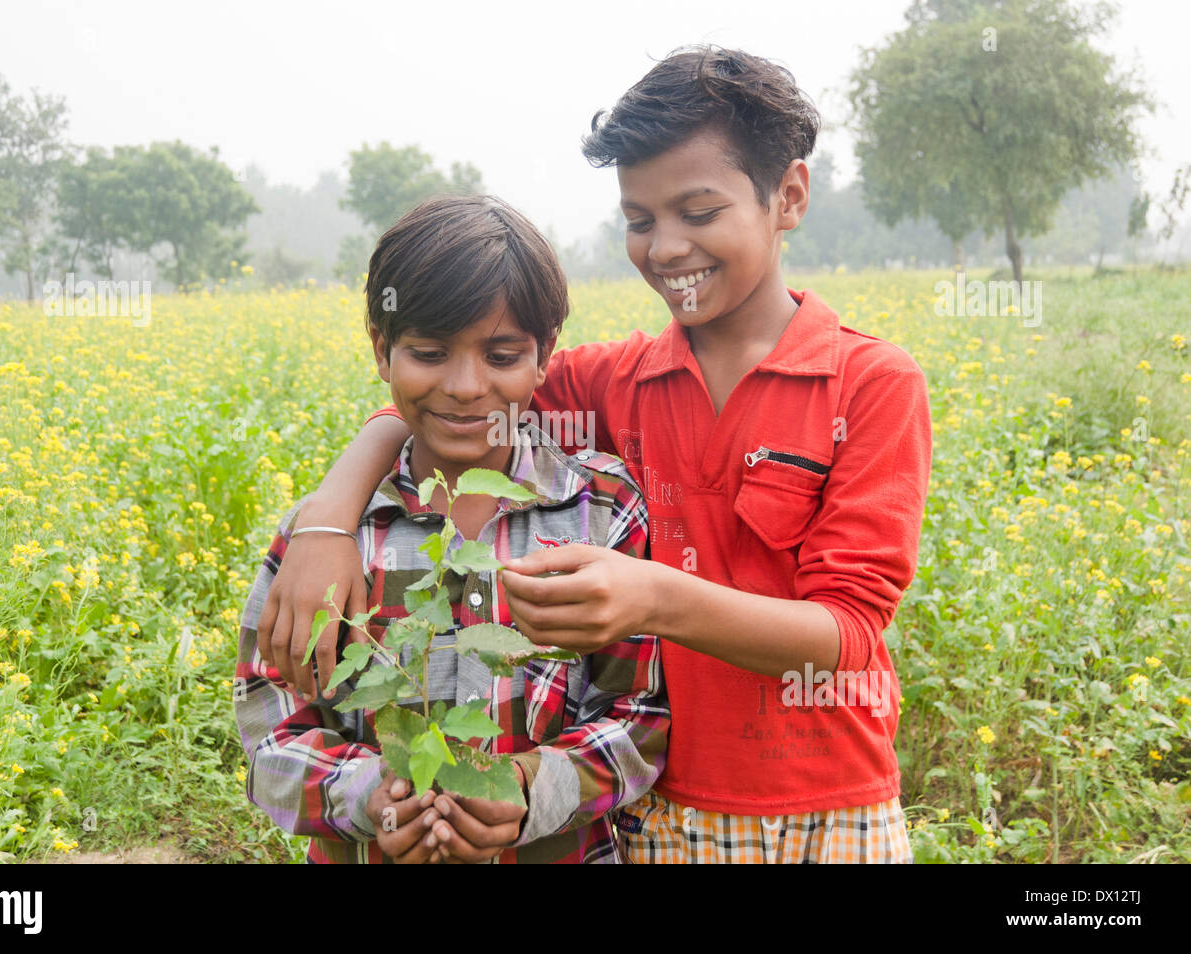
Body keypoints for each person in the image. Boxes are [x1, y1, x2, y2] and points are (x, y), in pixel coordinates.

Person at [260, 45, 931, 863]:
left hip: (825, 803)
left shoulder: (869, 383)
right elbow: (442, 405)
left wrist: (653, 597)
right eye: (640, 220)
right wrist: (328, 522)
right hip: (658, 818)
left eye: (698, 211)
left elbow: (852, 628)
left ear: (788, 195)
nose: (666, 247)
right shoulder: (617, 382)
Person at [235, 194, 669, 863]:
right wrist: (367, 796)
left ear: (544, 356)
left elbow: (641, 719)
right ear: (383, 352)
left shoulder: (601, 511)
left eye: (501, 356)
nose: (466, 386)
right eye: (430, 352)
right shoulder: (326, 539)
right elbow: (270, 730)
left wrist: (530, 789)